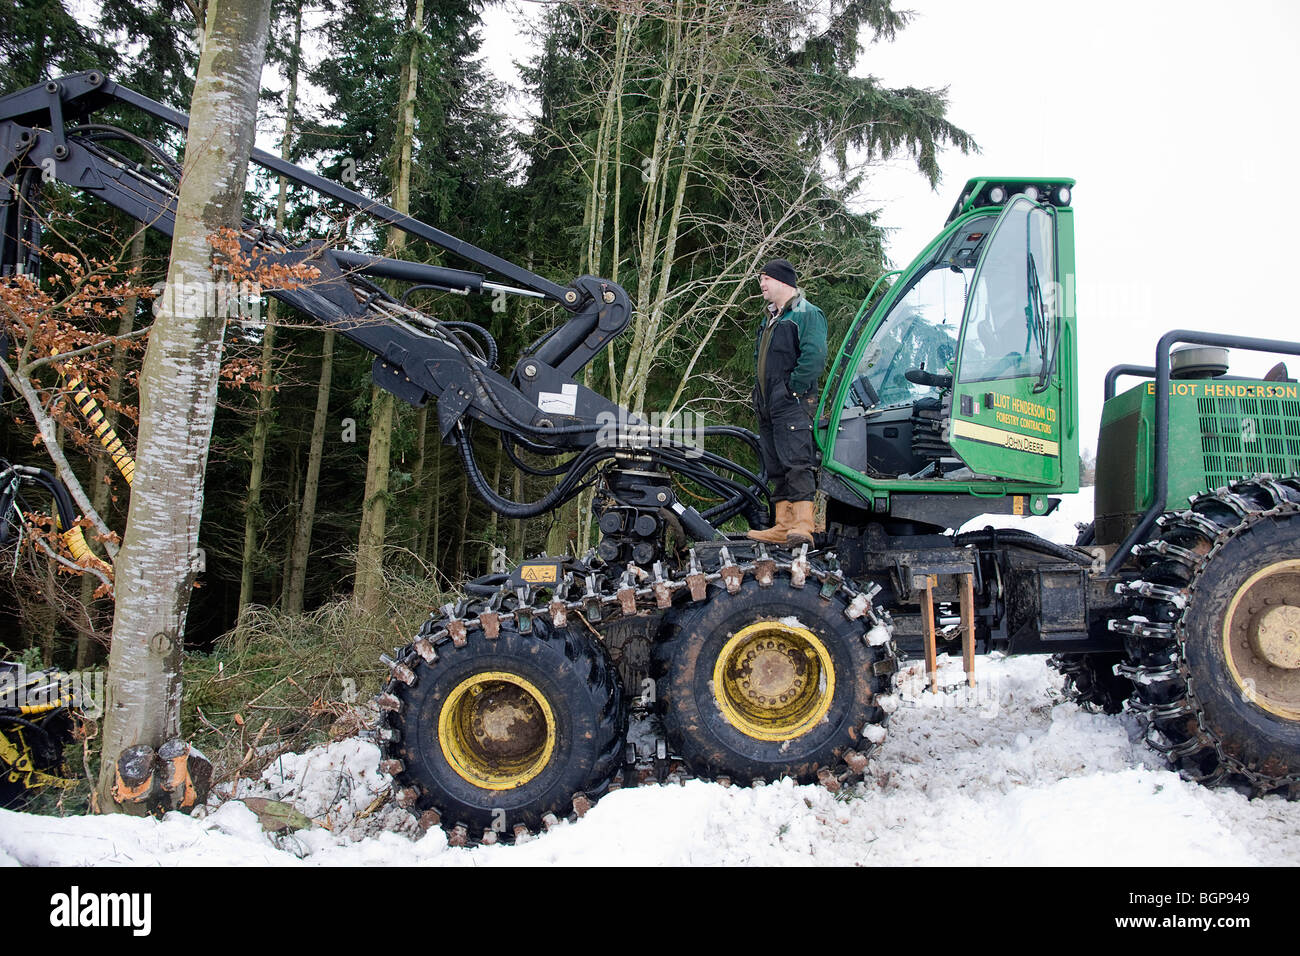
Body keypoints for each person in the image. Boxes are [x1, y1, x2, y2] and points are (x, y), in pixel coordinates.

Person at [747, 258, 827, 548]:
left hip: (792, 403)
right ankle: (783, 525)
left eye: (764, 279)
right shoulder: (771, 318)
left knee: (796, 461)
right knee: (776, 464)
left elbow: (814, 357)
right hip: (768, 404)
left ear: (781, 281)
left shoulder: (806, 314)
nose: (762, 285)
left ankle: (803, 525)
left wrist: (792, 389)